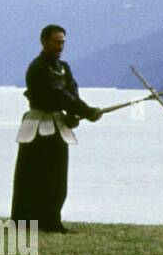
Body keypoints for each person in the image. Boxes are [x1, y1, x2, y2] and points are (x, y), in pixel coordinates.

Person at [10, 24, 102, 233]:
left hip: (57, 126)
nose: (60, 46)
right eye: (56, 42)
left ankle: (51, 220)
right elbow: (57, 94)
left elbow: (71, 93)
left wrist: (74, 115)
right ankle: (25, 221)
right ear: (44, 42)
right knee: (32, 175)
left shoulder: (64, 67)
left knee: (57, 177)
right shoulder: (38, 68)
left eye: (62, 42)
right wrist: (87, 111)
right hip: (37, 126)